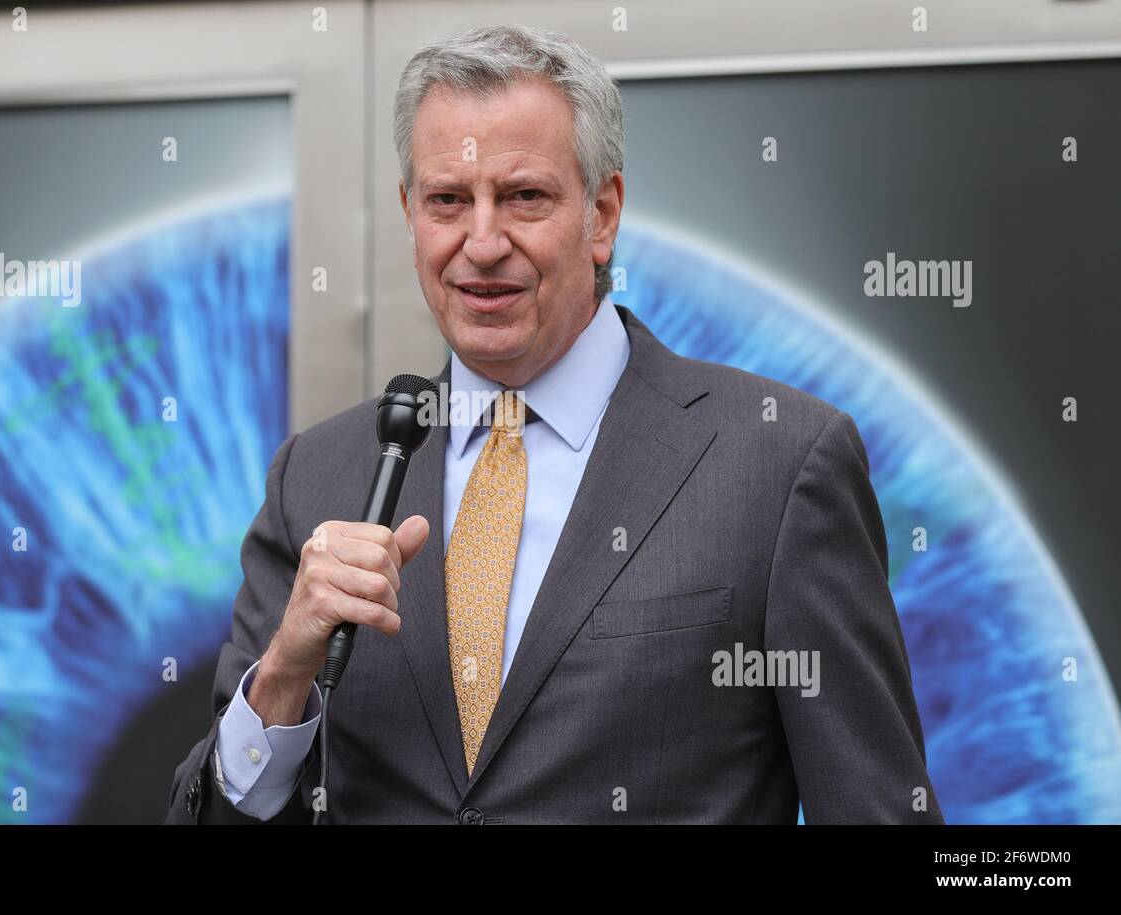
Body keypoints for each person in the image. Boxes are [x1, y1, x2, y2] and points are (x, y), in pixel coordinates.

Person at [166, 23, 943, 824]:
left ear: (602, 213)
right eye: (447, 201)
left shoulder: (778, 464)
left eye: (524, 196)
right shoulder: (320, 477)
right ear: (409, 213)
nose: (482, 242)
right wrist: (284, 677)